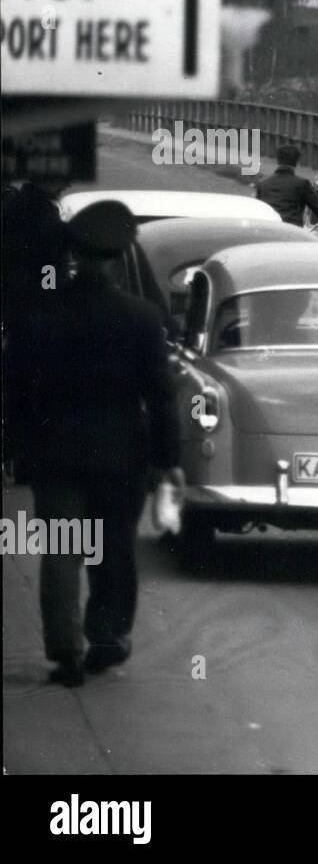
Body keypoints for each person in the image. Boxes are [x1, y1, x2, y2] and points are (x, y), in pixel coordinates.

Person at [4, 201, 183, 687]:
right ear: (120, 255)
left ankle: (64, 651)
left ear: (74, 255)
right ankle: (106, 637)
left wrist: (16, 450)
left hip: (54, 452)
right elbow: (161, 395)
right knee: (112, 547)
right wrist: (170, 461)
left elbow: (14, 389)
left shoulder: (36, 312)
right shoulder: (142, 318)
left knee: (62, 548)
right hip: (120, 455)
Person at [254, 144, 318, 231]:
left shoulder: (263, 184)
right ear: (296, 161)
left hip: (268, 230)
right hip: (291, 232)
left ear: (278, 160)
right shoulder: (301, 184)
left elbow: (257, 209)